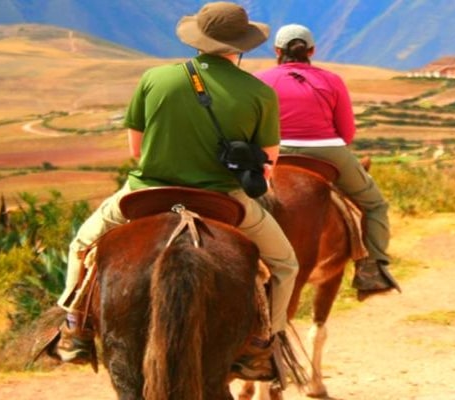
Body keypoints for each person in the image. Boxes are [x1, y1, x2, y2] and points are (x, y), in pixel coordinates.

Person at [44, 2, 298, 381]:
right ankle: (260, 347)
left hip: (148, 191)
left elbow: (135, 150)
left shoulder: (155, 78)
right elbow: (268, 164)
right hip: (224, 199)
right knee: (285, 265)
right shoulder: (259, 93)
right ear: (241, 45)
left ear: (197, 39)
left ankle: (76, 328)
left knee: (81, 244)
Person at [254, 24, 399, 299]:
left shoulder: (259, 79)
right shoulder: (331, 80)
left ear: (276, 51)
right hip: (326, 151)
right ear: (311, 51)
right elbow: (346, 132)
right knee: (374, 204)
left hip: (272, 151)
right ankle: (372, 269)